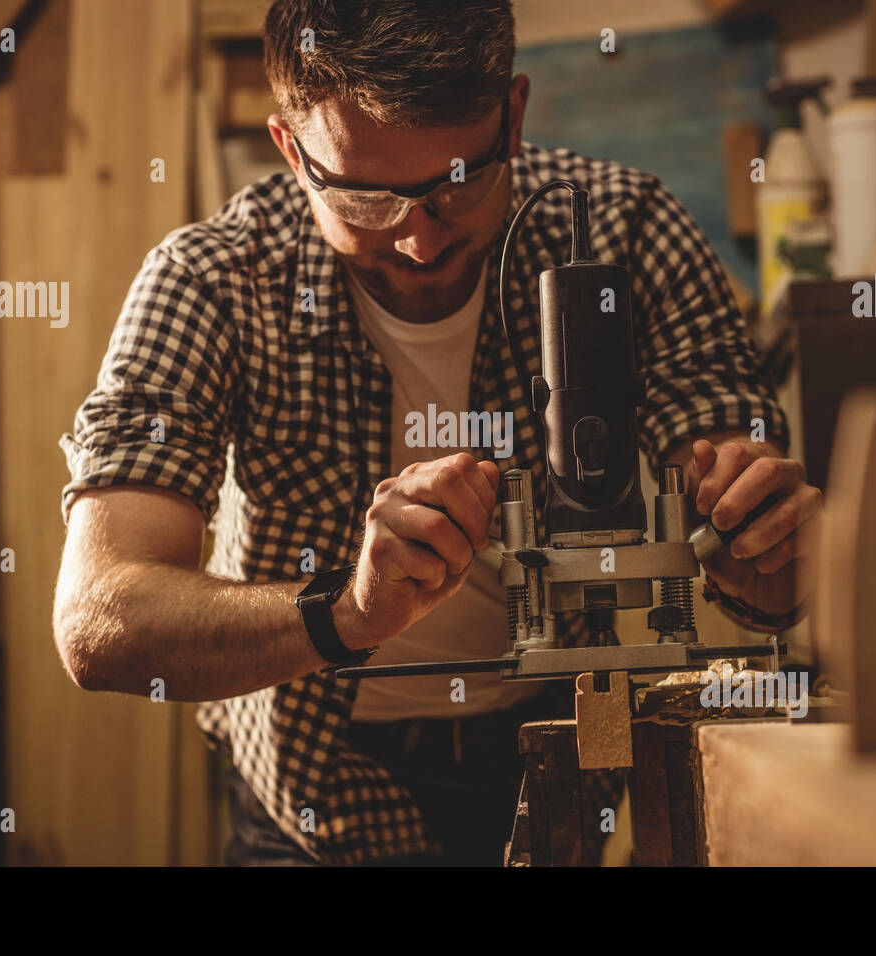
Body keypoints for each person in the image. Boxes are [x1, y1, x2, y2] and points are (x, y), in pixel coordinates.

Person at [52, 0, 822, 866]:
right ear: (290, 149)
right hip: (314, 791)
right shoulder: (213, 279)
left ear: (512, 115)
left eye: (457, 182)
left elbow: (738, 490)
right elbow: (100, 618)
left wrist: (762, 546)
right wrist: (348, 612)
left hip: (562, 757)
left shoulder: (624, 229)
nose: (419, 240)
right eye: (365, 196)